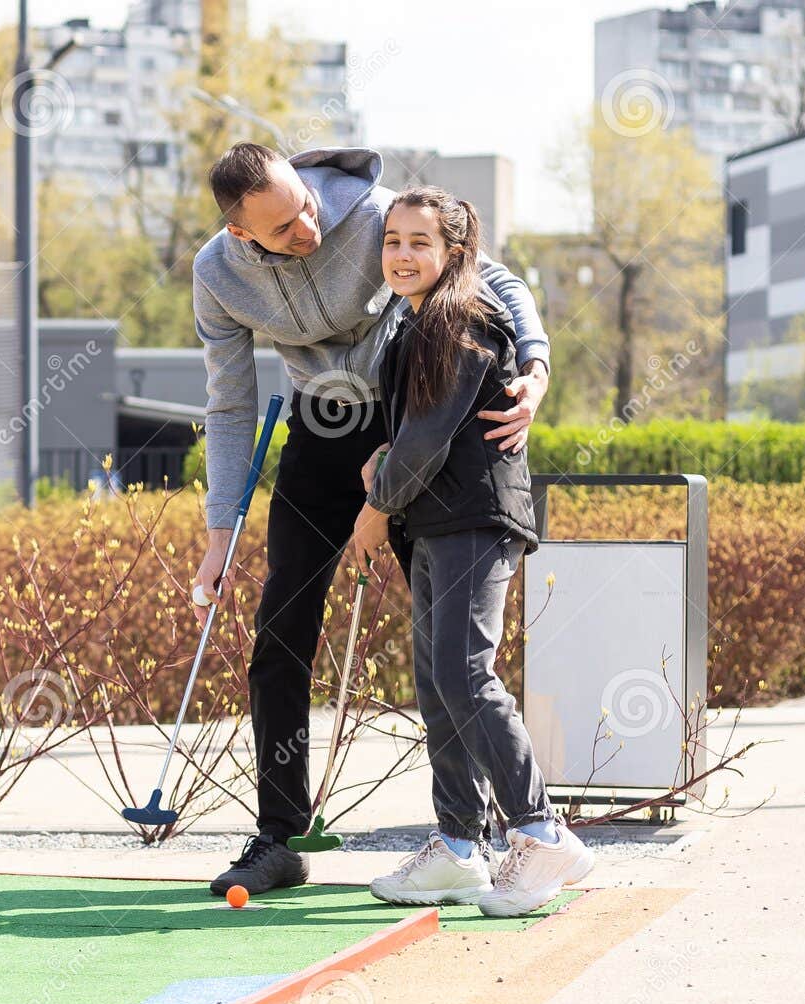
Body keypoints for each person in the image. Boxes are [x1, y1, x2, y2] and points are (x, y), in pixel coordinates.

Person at [191, 142, 552, 897]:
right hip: (319, 435)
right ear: (240, 235)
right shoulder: (217, 276)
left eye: (306, 208)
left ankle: (469, 835)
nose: (308, 230)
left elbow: (495, 277)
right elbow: (226, 406)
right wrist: (219, 533)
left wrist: (536, 370)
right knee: (279, 628)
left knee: (446, 648)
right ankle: (279, 837)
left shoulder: (378, 217)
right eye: (284, 230)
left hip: (411, 424)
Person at [348, 187, 592, 916]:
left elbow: (429, 440)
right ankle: (459, 846)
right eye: (393, 241)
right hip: (434, 519)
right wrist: (387, 455)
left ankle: (541, 830)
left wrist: (374, 508)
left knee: (465, 673)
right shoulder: (415, 322)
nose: (401, 254)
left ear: (456, 252)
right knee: (436, 679)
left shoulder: (463, 318)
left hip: (475, 520)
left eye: (419, 242)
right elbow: (422, 428)